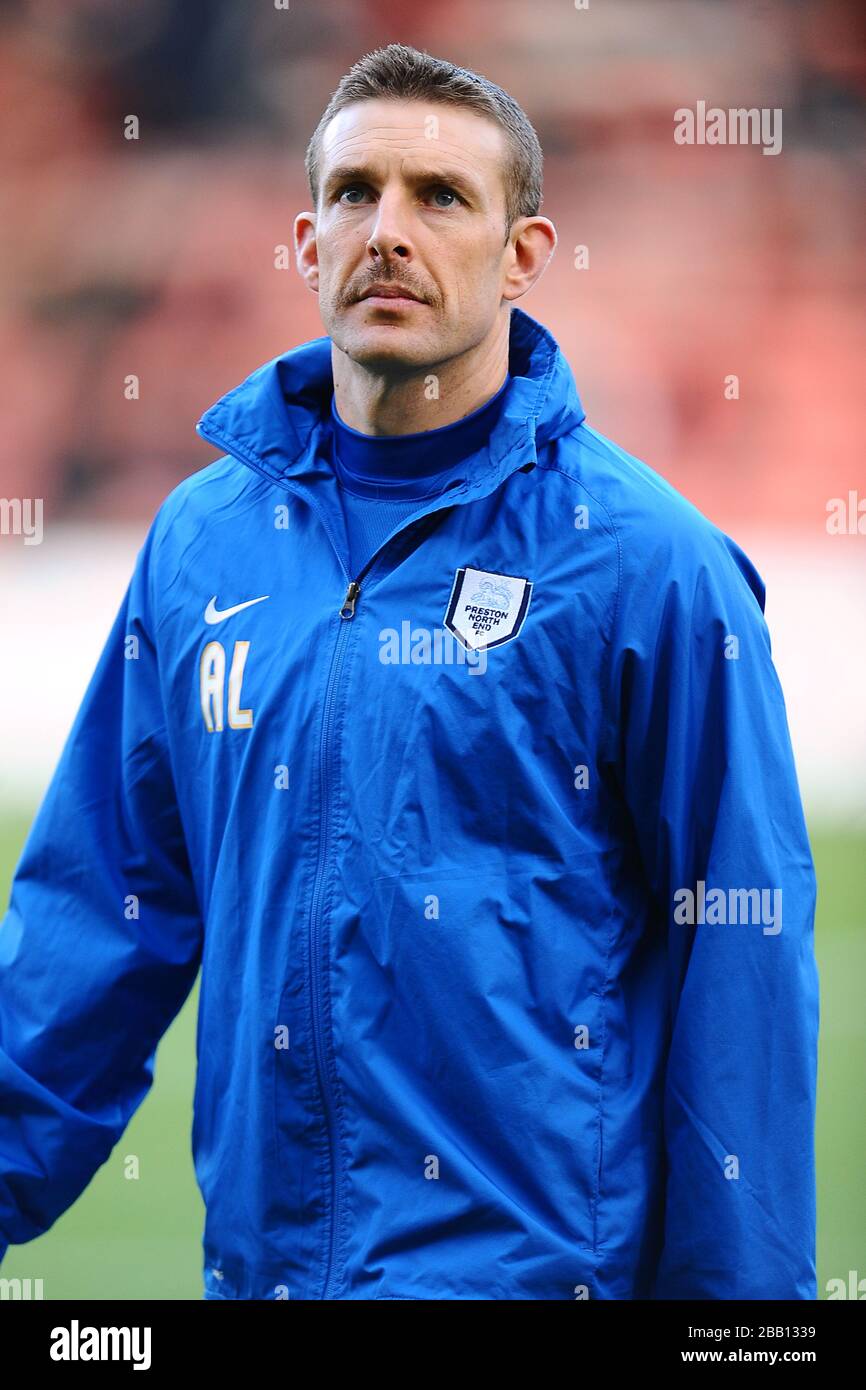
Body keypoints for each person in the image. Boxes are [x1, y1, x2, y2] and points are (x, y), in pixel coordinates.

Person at [0, 43, 819, 1301]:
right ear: (305, 240)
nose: (386, 230)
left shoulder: (647, 565)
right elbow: (97, 916)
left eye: (439, 197)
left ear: (523, 253)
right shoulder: (200, 545)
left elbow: (742, 974)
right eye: (353, 193)